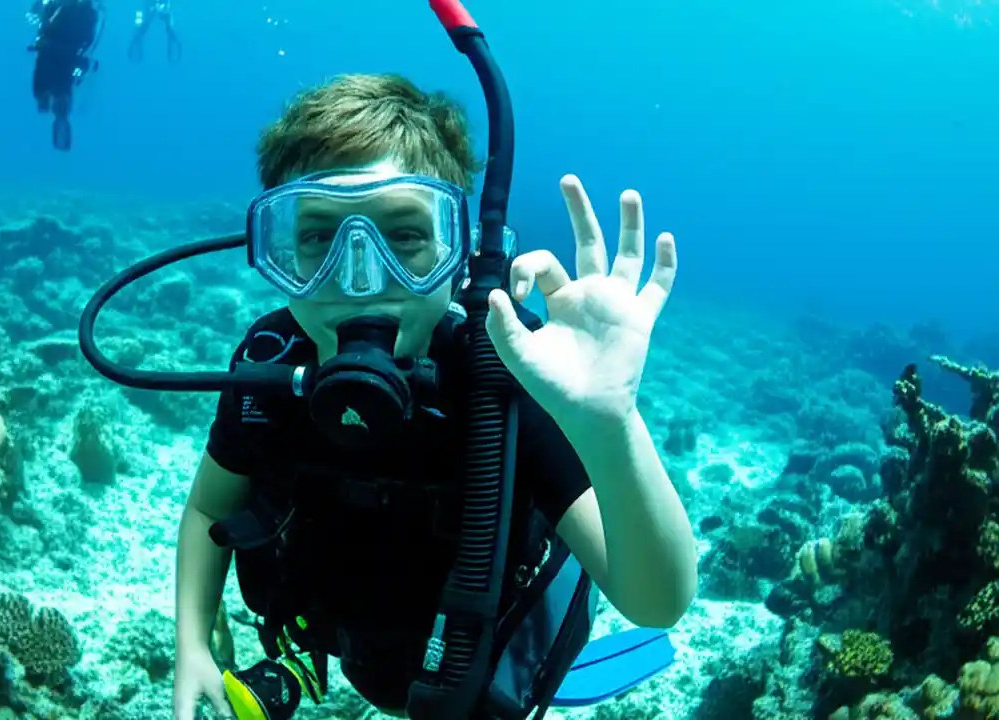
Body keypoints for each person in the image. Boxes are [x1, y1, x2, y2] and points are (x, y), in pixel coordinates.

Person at [169, 73, 698, 720]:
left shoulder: (505, 370)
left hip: (478, 668)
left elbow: (655, 602)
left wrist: (609, 424)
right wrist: (191, 640)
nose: (360, 278)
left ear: (462, 252)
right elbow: (206, 513)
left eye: (407, 236)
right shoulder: (270, 366)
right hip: (348, 647)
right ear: (277, 250)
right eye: (315, 238)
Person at [27, 0, 102, 151]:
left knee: (45, 85)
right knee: (63, 85)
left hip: (52, 47)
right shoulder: (88, 10)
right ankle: (57, 104)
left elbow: (36, 15)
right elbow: (91, 37)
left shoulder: (77, 9)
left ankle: (48, 99)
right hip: (71, 51)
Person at [128, 0, 182, 65]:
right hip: (152, 7)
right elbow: (139, 12)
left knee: (169, 27)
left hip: (157, 7)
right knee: (141, 27)